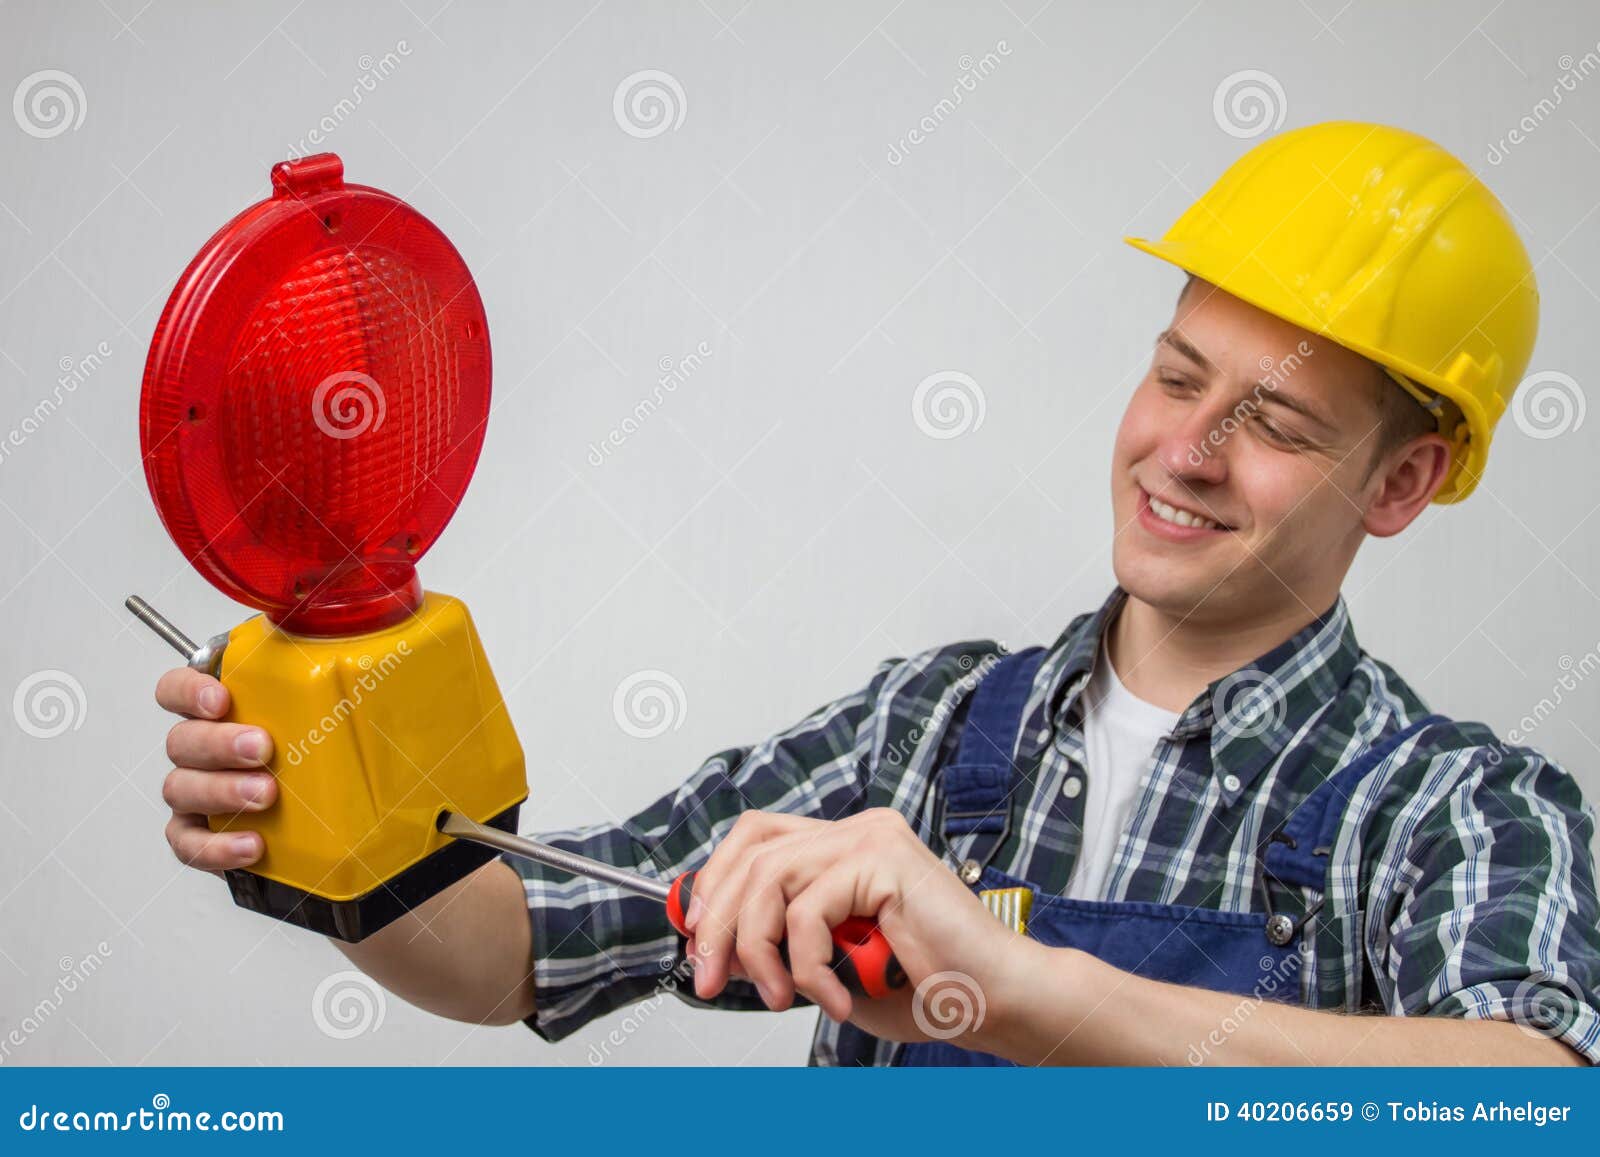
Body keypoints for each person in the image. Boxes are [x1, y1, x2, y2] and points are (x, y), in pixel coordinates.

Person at [150, 121, 1600, 1065]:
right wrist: (336, 813)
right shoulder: (927, 732)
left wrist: (1006, 976)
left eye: (1276, 427)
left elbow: (1540, 1091)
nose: (1186, 451)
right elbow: (513, 943)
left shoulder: (1459, 811)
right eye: (1174, 375)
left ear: (1402, 484)